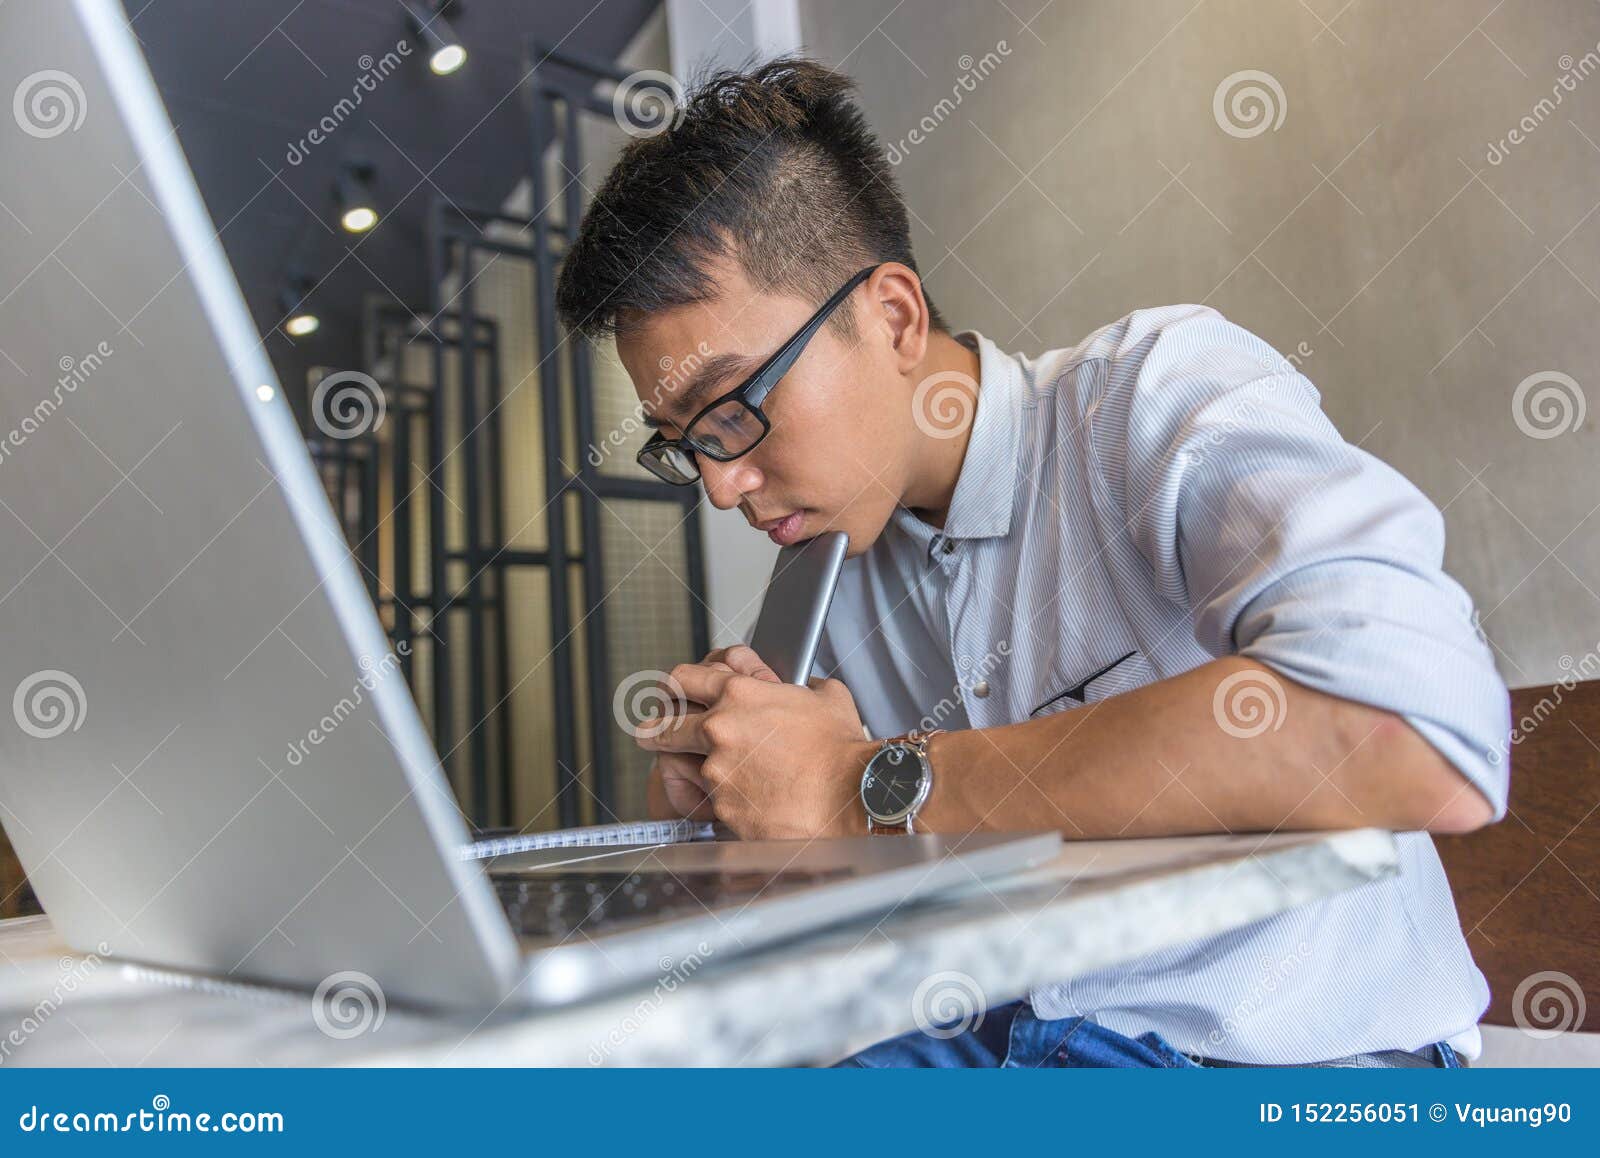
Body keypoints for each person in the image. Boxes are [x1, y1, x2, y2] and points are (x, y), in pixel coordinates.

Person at [554, 58, 1508, 1069]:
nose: (720, 485)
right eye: (685, 442)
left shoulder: (1153, 398)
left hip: (1303, 1069)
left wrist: (866, 784)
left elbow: (1417, 735)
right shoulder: (832, 577)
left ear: (893, 318)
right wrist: (733, 822)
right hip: (1012, 1042)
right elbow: (846, 912)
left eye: (736, 408)